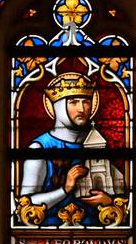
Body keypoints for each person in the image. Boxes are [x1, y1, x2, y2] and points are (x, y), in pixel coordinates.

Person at [19, 71, 124, 226]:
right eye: (74, 102)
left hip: (101, 235)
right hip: (47, 235)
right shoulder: (39, 148)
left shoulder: (96, 143)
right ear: (59, 107)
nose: (82, 108)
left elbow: (120, 189)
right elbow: (25, 204)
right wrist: (65, 189)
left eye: (86, 101)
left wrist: (108, 201)